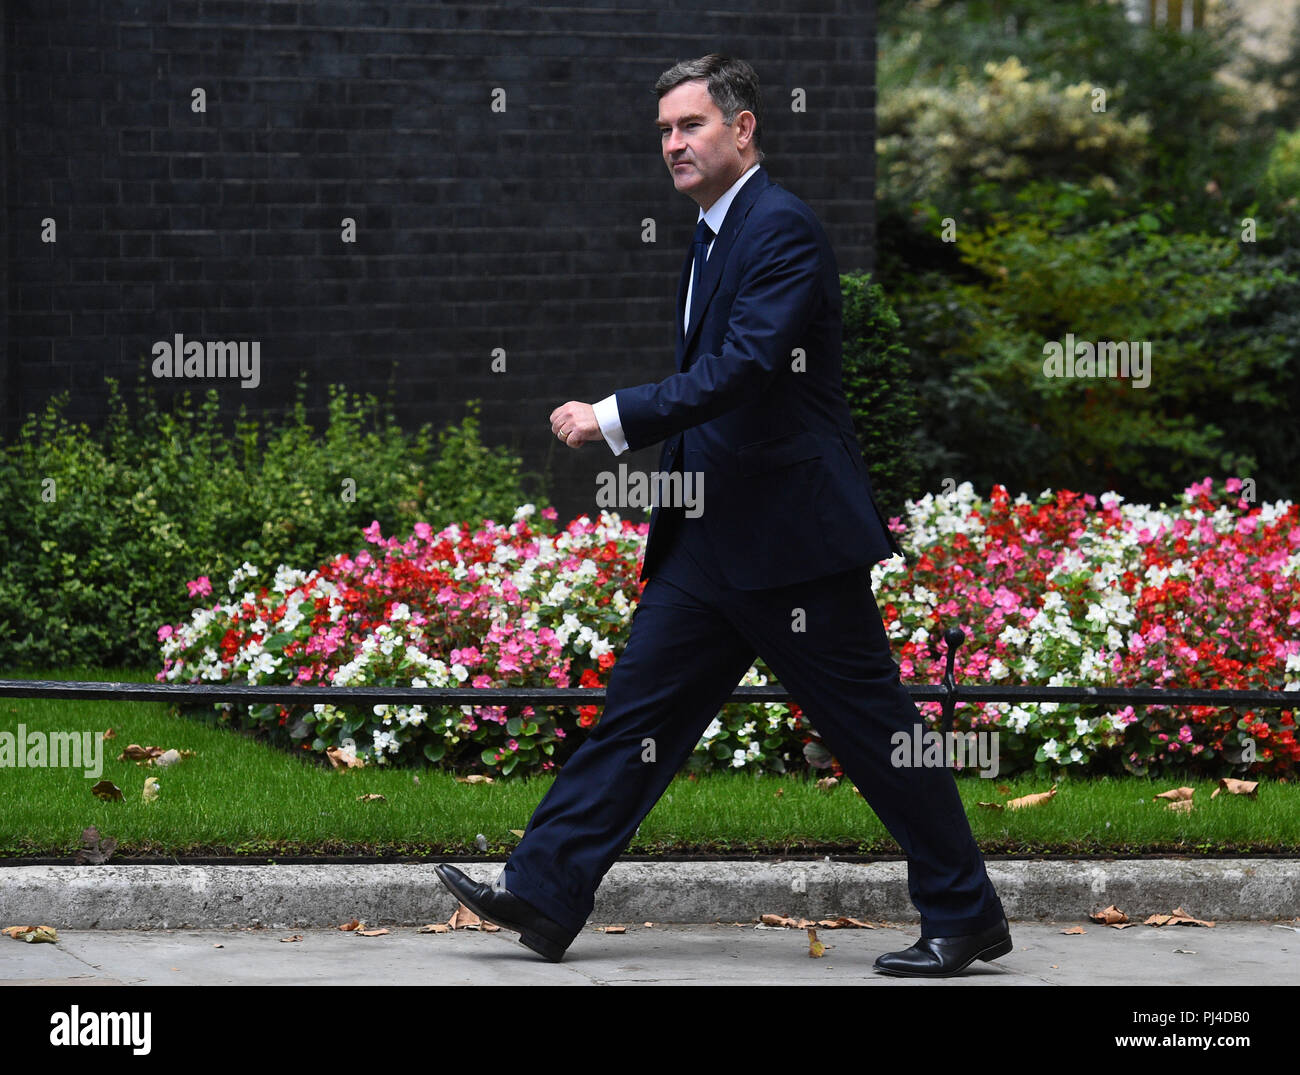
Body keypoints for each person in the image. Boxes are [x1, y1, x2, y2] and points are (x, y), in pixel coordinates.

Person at [436, 54, 1011, 977]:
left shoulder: (780, 227)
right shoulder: (710, 235)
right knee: (633, 716)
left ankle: (965, 913)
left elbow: (743, 367)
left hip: (793, 542)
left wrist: (613, 416)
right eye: (664, 130)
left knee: (874, 729)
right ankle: (543, 890)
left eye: (691, 125)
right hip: (711, 540)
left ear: (743, 128)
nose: (673, 143)